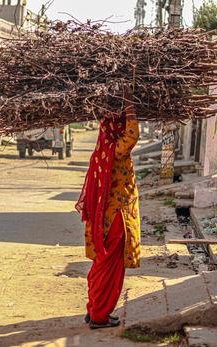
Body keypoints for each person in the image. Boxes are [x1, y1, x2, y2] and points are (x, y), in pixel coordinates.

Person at [75, 95, 141, 329]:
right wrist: (129, 104)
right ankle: (99, 316)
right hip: (114, 219)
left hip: (104, 219)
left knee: (101, 265)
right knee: (108, 267)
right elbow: (133, 134)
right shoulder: (115, 150)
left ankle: (94, 309)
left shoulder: (102, 150)